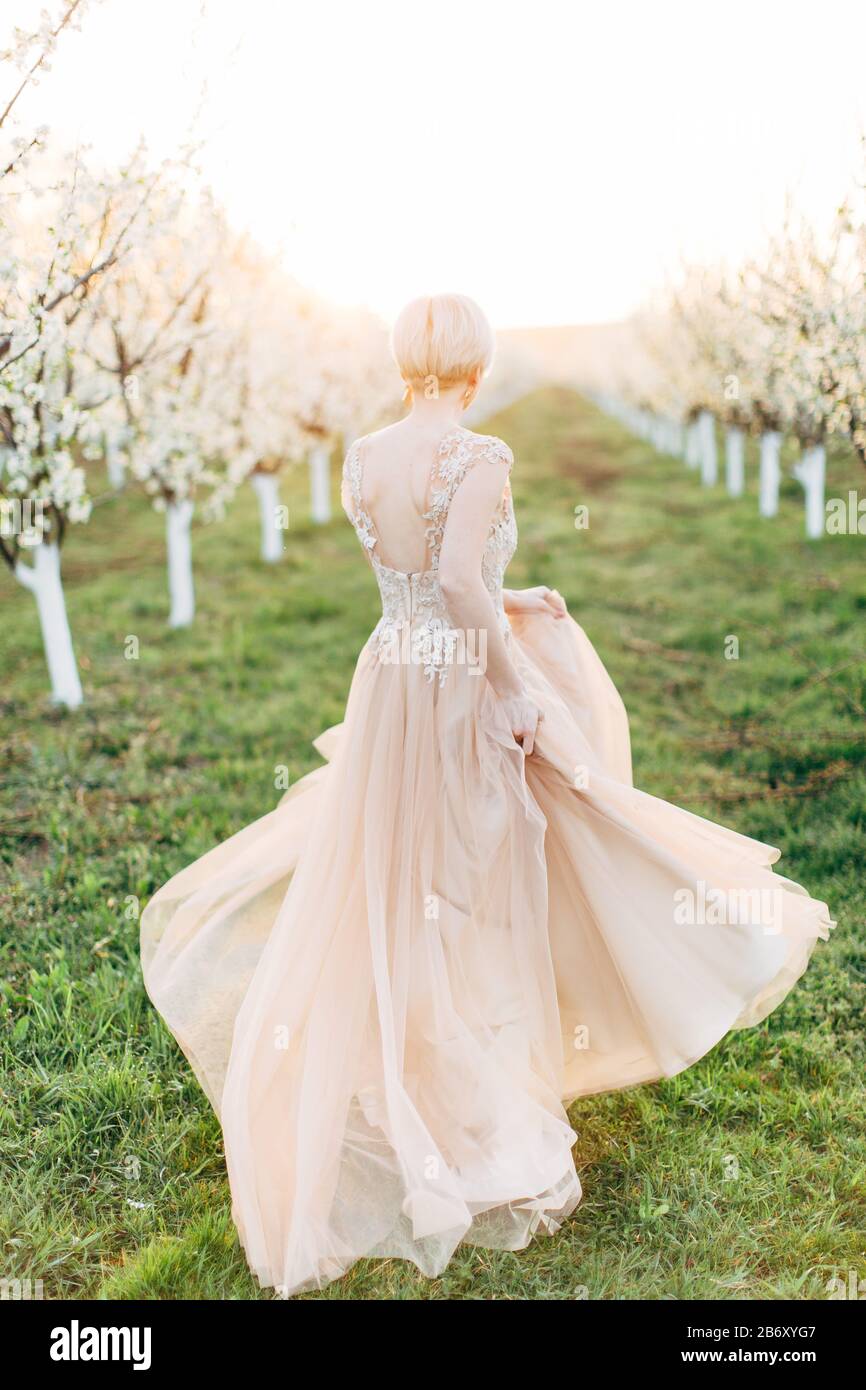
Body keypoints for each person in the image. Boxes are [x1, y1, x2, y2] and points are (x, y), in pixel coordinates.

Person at [141, 293, 833, 1298]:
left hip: (391, 675)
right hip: (457, 680)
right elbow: (457, 581)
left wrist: (517, 600)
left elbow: (411, 581)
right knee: (476, 877)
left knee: (405, 873)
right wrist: (515, 688)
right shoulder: (479, 456)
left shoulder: (363, 454)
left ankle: (423, 1067)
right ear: (475, 363)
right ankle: (477, 1104)